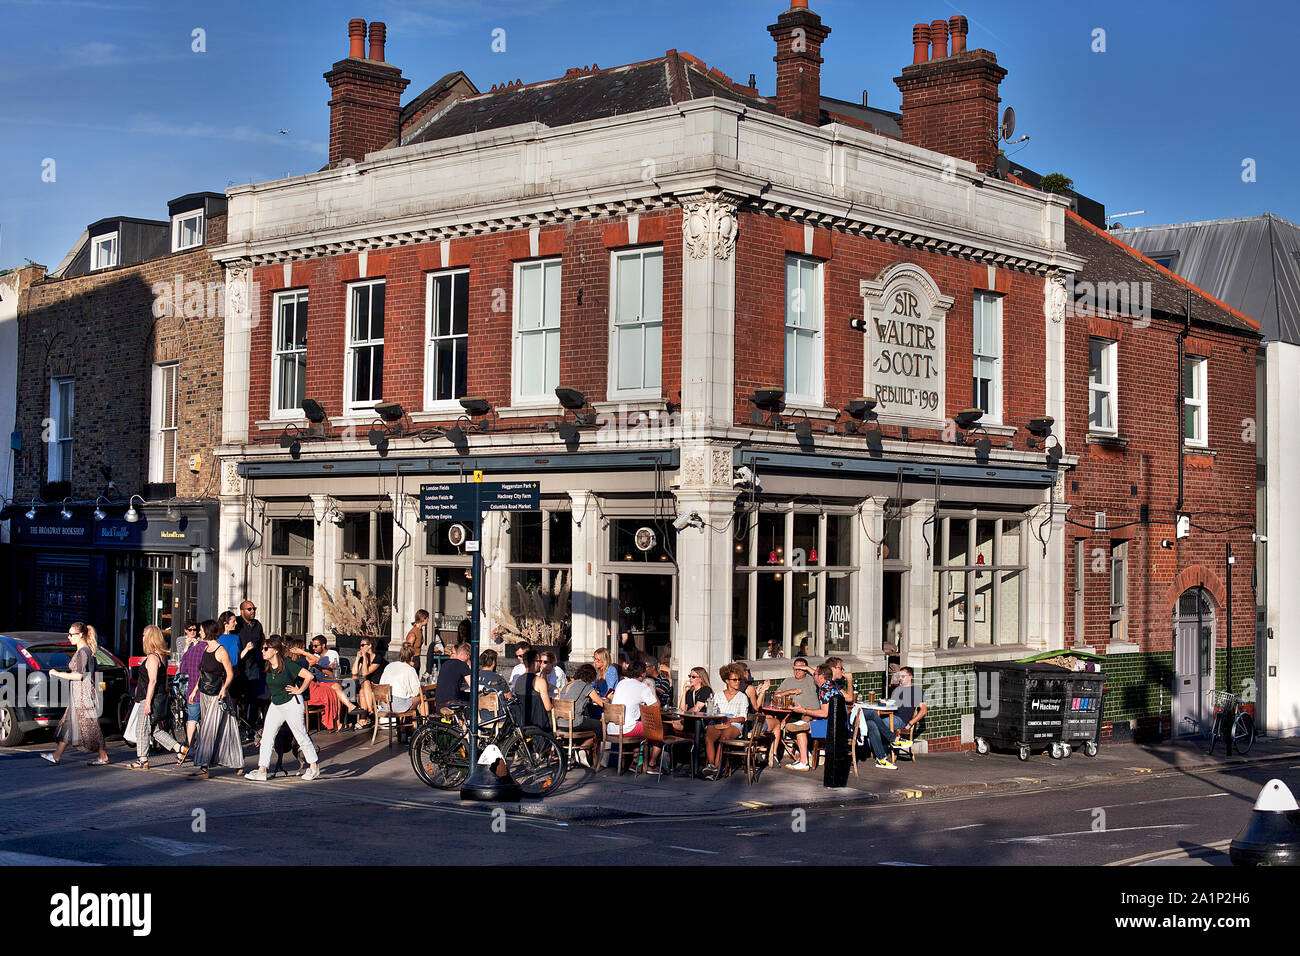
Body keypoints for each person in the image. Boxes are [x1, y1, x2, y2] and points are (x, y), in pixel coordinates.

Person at [245, 637, 320, 782]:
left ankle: (314, 766)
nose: (263, 651)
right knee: (267, 736)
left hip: (291, 703)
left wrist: (300, 690)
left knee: (300, 735)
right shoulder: (268, 666)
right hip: (276, 705)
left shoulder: (288, 664)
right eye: (262, 648)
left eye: (266, 649)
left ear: (275, 650)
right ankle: (262, 770)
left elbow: (309, 676)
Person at [41, 621, 110, 766]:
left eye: (71, 634)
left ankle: (102, 755)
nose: (68, 637)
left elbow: (79, 676)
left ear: (80, 635)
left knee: (90, 726)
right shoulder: (85, 651)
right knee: (69, 724)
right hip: (79, 694)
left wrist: (58, 673)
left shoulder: (83, 652)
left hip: (83, 695)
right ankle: (56, 755)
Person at [189, 619, 242, 779]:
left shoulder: (221, 651)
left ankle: (203, 767)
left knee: (207, 730)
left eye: (201, 630)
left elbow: (230, 673)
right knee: (226, 729)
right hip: (205, 693)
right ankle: (237, 762)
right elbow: (202, 673)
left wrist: (224, 689)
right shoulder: (206, 649)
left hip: (217, 695)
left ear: (208, 631)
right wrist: (194, 691)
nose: (199, 632)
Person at [128, 626, 184, 770]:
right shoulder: (162, 656)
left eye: (143, 635)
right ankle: (180, 749)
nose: (142, 638)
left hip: (149, 698)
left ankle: (142, 759)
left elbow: (152, 681)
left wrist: (147, 702)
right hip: (157, 697)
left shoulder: (153, 657)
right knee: (155, 730)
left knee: (141, 729)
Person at [289, 636, 366, 730]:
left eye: (315, 646)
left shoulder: (301, 660)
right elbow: (317, 662)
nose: (309, 649)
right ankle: (339, 722)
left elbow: (320, 665)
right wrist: (304, 653)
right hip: (308, 690)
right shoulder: (299, 661)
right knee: (335, 691)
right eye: (304, 647)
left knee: (337, 687)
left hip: (313, 685)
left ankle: (341, 721)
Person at [791, 663, 844, 771]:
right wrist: (810, 712)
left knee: (799, 727)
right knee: (804, 722)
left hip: (832, 727)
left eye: (815, 674)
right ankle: (805, 756)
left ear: (821, 676)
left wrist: (804, 710)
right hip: (840, 724)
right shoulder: (832, 686)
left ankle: (804, 762)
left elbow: (824, 713)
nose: (813, 676)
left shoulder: (824, 690)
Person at [702, 663, 750, 778]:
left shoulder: (742, 697)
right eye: (734, 680)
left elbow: (743, 717)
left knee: (724, 737)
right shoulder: (718, 695)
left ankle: (716, 768)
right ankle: (712, 766)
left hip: (734, 724)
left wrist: (730, 719)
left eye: (739, 679)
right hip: (719, 722)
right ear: (727, 681)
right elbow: (713, 712)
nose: (737, 682)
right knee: (709, 736)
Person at [554, 663, 606, 766]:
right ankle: (583, 748)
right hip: (574, 723)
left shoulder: (567, 685)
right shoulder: (585, 686)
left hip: (561, 723)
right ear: (591, 676)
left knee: (588, 721)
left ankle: (581, 751)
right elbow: (601, 703)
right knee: (601, 726)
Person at [234, 600, 266, 732]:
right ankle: (237, 724)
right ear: (242, 611)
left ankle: (250, 726)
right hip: (240, 665)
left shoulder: (257, 625)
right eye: (249, 609)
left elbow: (262, 641)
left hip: (255, 665)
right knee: (239, 697)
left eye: (254, 608)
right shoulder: (236, 623)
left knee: (254, 697)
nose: (253, 611)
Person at [175, 620, 206, 762]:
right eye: (190, 630)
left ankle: (192, 745)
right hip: (187, 678)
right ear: (185, 630)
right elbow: (181, 660)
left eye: (195, 629)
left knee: (194, 716)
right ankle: (190, 745)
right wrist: (188, 645)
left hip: (193, 680)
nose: (193, 632)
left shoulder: (201, 643)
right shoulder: (181, 640)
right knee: (193, 715)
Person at [379, 645, 429, 719]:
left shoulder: (390, 666)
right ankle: (426, 723)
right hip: (398, 706)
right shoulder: (410, 669)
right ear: (412, 657)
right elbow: (416, 692)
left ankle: (404, 726)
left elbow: (381, 684)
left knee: (407, 699)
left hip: (385, 704)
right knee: (423, 696)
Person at [510, 648, 553, 730]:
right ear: (535, 663)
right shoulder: (539, 681)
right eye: (539, 661)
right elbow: (548, 707)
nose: (540, 664)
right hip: (538, 725)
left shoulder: (519, 680)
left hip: (522, 723)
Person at [434, 641, 472, 712]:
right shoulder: (462, 664)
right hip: (451, 705)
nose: (469, 658)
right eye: (469, 655)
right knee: (476, 703)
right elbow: (473, 686)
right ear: (466, 655)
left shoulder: (445, 663)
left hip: (438, 706)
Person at [353, 637, 383, 722]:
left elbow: (365, 673)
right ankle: (368, 713)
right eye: (360, 645)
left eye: (363, 645)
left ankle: (365, 716)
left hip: (377, 685)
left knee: (364, 685)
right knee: (364, 687)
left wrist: (365, 658)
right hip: (367, 686)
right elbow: (354, 672)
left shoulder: (378, 658)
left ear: (369, 646)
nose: (361, 648)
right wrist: (358, 658)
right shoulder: (363, 658)